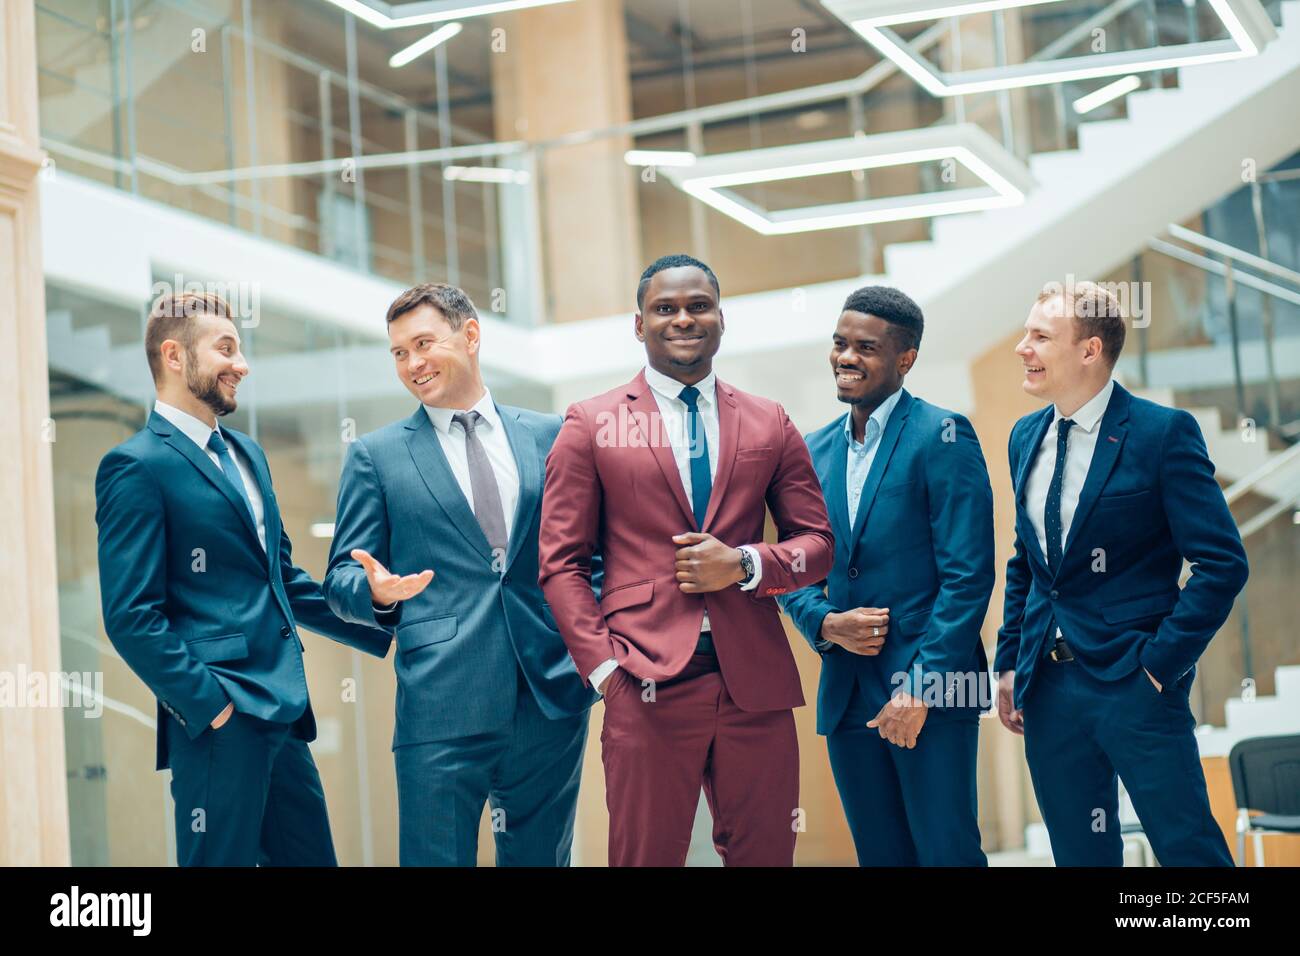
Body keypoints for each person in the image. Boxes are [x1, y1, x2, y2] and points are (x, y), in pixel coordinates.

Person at [538, 253, 833, 866]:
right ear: (638, 324)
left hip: (754, 683)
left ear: (721, 318)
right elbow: (562, 563)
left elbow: (817, 546)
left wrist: (746, 563)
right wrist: (603, 673)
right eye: (664, 308)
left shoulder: (768, 420)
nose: (683, 319)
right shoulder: (591, 423)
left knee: (767, 856)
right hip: (641, 681)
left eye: (698, 306)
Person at [95, 291, 392, 866]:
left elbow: (279, 579)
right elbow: (131, 616)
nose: (242, 364)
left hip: (281, 711)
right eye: (226, 348)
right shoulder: (135, 467)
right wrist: (211, 707)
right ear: (176, 357)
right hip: (219, 719)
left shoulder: (248, 455)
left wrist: (380, 615)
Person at [324, 283, 594, 866]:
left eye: (424, 343)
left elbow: (587, 553)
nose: (413, 363)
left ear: (470, 335)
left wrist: (587, 649)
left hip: (548, 697)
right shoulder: (376, 456)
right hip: (441, 703)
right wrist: (374, 593)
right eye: (399, 352)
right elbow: (340, 576)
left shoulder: (552, 436)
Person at [995, 281, 1246, 866]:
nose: (1021, 348)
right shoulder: (1023, 437)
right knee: (1080, 857)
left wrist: (1160, 666)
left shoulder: (1163, 433)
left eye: (1040, 336)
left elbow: (1222, 564)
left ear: (1089, 350)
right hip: (1048, 691)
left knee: (1190, 853)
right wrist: (1009, 662)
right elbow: (1026, 562)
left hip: (1136, 684)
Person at [780, 285, 993, 866]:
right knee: (880, 857)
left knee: (946, 852)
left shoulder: (943, 435)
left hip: (931, 689)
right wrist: (825, 623)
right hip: (848, 692)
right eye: (839, 343)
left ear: (906, 359)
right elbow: (792, 566)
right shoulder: (811, 450)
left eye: (865, 348)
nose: (846, 357)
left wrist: (921, 688)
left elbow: (968, 577)